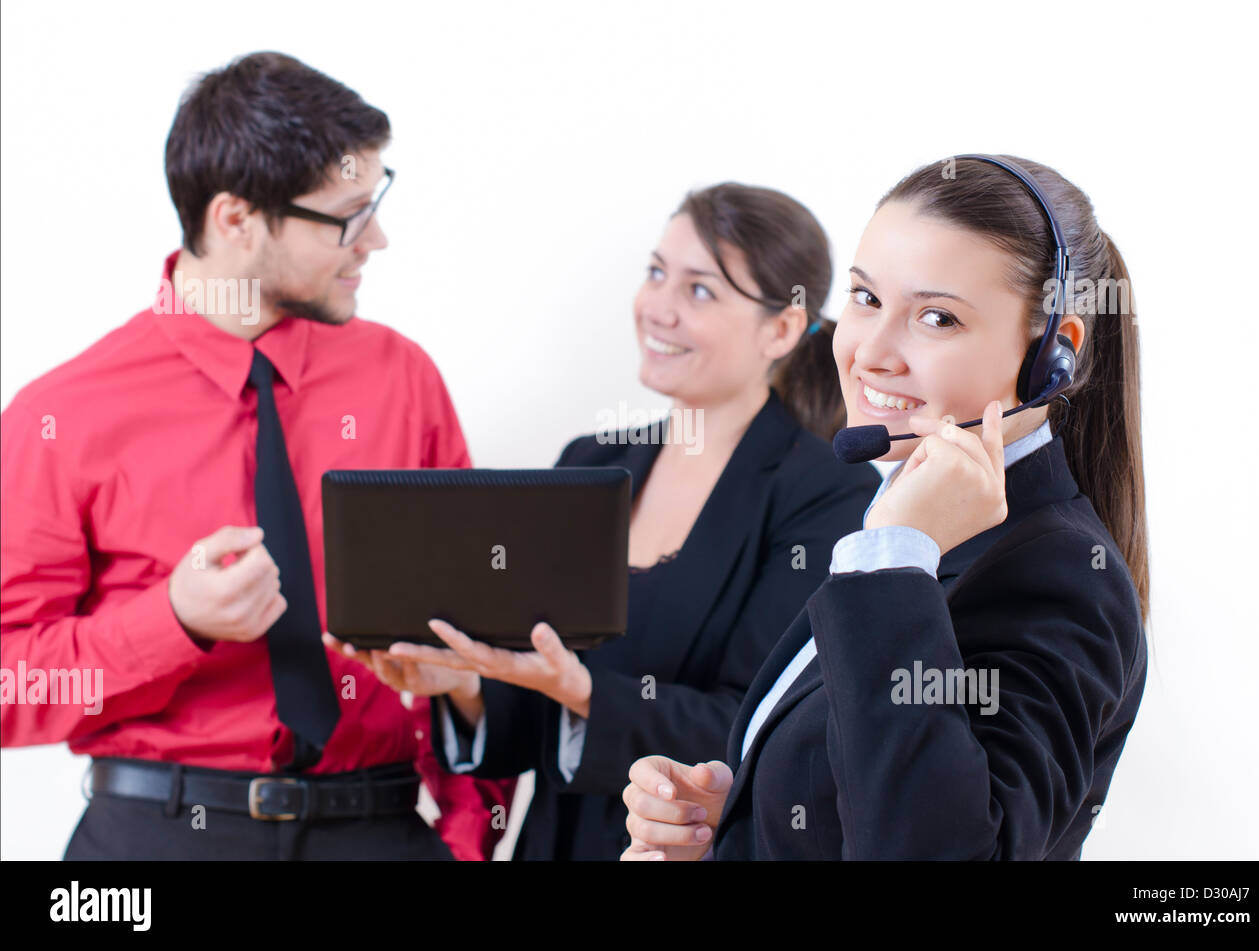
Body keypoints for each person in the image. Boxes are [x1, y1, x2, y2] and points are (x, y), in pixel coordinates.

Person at [0, 51, 510, 861]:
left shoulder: (400, 378)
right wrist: (170, 622)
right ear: (236, 220)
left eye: (374, 203)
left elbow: (479, 628)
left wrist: (464, 839)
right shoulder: (62, 413)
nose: (375, 238)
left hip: (377, 828)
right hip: (154, 840)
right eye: (344, 217)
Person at [620, 154, 1150, 860]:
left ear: (1052, 353)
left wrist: (898, 556)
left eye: (935, 317)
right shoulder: (902, 523)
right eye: (866, 299)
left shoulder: (1060, 574)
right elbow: (879, 790)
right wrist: (751, 821)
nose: (870, 352)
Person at [338, 183, 882, 859]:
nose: (659, 307)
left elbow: (758, 725)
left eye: (701, 290)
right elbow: (542, 705)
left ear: (781, 329)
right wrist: (467, 684)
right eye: (657, 272)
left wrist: (584, 688)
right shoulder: (590, 462)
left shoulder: (825, 490)